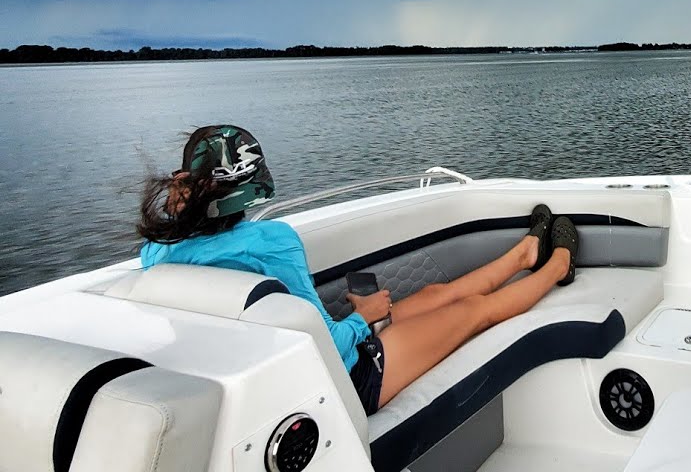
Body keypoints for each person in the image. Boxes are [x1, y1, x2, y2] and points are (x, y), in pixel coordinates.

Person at [137, 125, 578, 414]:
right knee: (472, 311)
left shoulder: (157, 253)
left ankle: (523, 254)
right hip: (345, 378)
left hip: (270, 376)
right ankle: (558, 265)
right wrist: (361, 318)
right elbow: (325, 342)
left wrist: (360, 318)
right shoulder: (271, 243)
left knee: (429, 298)